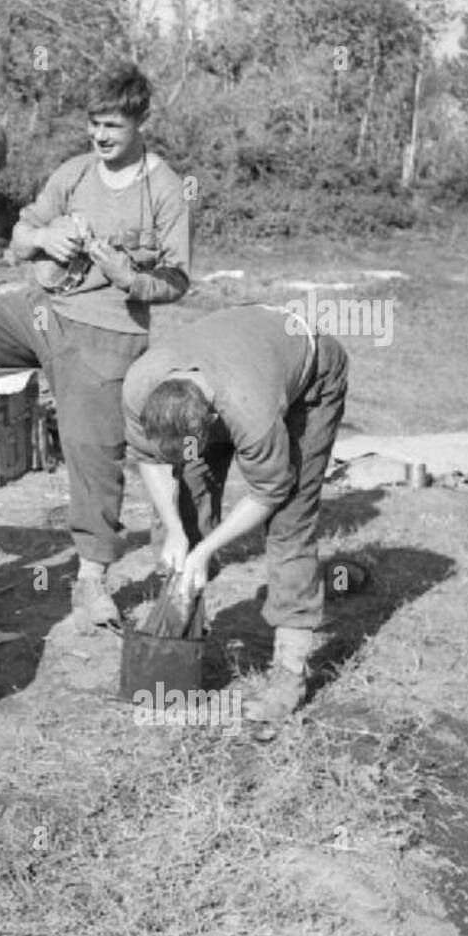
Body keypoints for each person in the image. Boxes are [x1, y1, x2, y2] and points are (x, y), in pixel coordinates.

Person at [0, 62, 192, 633]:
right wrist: (44, 237)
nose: (101, 135)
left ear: (141, 120)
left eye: (112, 124)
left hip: (107, 336)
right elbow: (17, 237)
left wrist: (125, 275)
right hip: (42, 312)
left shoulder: (163, 190)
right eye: (93, 123)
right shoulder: (73, 173)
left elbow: (176, 282)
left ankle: (91, 581)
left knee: (93, 456)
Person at [122, 304, 350, 731]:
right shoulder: (139, 384)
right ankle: (182, 637)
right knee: (186, 503)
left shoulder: (250, 410)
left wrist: (206, 550)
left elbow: (270, 490)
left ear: (210, 420)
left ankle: (289, 671)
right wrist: (175, 532)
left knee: (289, 520)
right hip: (231, 365)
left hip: (309, 374)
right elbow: (148, 458)